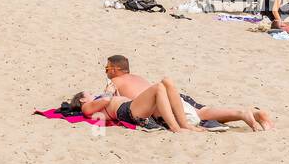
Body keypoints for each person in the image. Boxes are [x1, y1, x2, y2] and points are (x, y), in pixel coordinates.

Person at [82, 56, 275, 133]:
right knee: (202, 112)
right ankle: (247, 113)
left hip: (160, 104)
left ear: (115, 70)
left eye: (107, 67)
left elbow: (108, 98)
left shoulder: (114, 82)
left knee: (195, 117)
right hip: (175, 96)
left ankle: (183, 126)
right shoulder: (138, 77)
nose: (105, 70)